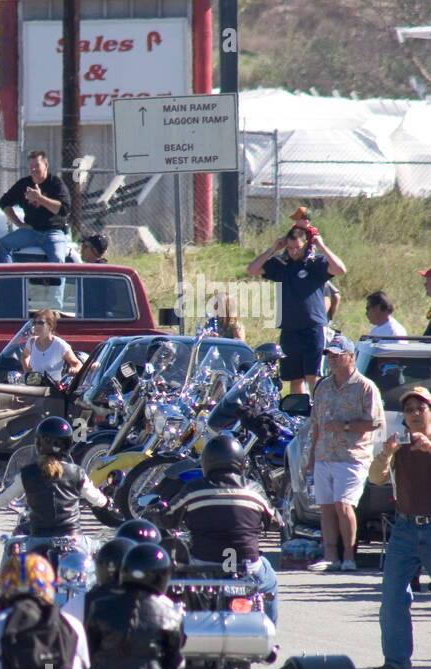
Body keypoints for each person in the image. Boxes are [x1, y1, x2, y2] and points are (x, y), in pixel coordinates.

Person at [158, 433, 281, 623]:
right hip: (246, 566)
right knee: (270, 580)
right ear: (240, 462)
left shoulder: (193, 490)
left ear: (206, 462)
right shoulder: (254, 491)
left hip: (204, 564)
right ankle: (270, 629)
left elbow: (166, 518)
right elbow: (277, 522)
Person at [306, 335, 381, 572]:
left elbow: (375, 422)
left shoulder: (365, 386)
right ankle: (330, 556)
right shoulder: (323, 387)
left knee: (344, 505)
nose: (332, 360)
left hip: (352, 457)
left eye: (338, 356)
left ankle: (348, 556)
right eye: (329, 356)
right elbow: (316, 424)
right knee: (327, 506)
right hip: (323, 455)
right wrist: (311, 458)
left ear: (350, 357)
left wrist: (346, 426)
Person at [370, 386, 431, 669]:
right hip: (405, 527)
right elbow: (376, 478)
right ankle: (396, 661)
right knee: (392, 596)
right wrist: (386, 453)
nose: (416, 414)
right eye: (409, 410)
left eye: (421, 408)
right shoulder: (400, 444)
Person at [247, 223, 347, 395]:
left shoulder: (315, 264)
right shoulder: (281, 264)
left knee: (313, 376)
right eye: (290, 247)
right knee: (295, 378)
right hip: (289, 329)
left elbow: (340, 269)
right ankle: (298, 413)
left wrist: (321, 245)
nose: (293, 251)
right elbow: (252, 269)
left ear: (306, 244)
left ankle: (317, 411)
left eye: (297, 248)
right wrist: (273, 248)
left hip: (312, 328)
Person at [0, 417, 116, 533]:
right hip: (72, 537)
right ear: (68, 443)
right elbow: (95, 497)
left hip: (39, 535)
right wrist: (107, 502)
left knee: (11, 547)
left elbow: (7, 497)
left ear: (39, 444)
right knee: (94, 553)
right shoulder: (77, 473)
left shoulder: (28, 473)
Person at [0, 150, 72, 264]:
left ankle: (56, 282)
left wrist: (39, 198)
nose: (34, 169)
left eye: (37, 165)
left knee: (57, 259)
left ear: (46, 165)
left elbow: (64, 209)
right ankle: (10, 279)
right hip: (31, 231)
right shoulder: (24, 184)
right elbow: (4, 202)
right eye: (31, 166)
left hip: (53, 232)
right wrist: (19, 224)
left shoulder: (55, 183)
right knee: (3, 244)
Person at [20, 309, 83, 381]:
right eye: (35, 323)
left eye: (40, 323)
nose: (36, 326)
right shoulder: (31, 342)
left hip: (52, 388)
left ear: (50, 325)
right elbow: (24, 356)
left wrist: (74, 369)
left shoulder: (60, 344)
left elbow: (77, 363)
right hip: (34, 386)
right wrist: (28, 372)